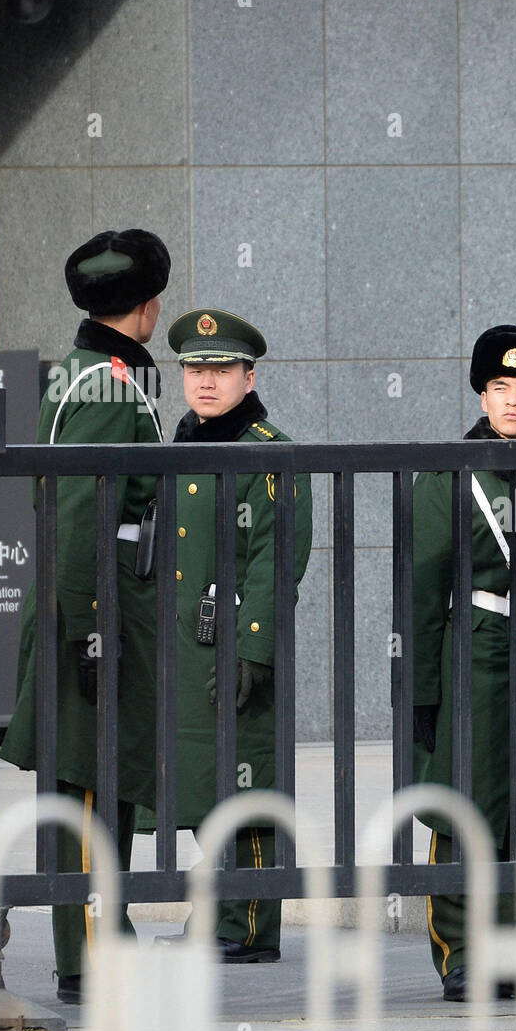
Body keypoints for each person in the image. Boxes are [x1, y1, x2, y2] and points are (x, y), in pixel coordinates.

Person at [0, 228, 170, 1005]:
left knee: (98, 786)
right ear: (146, 305)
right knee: (93, 787)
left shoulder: (97, 373)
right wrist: (96, 626)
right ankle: (95, 957)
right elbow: (85, 513)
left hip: (93, 602)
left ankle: (97, 949)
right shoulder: (106, 384)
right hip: (93, 604)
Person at [411, 324, 516, 1003]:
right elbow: (425, 592)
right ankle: (460, 955)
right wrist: (424, 687)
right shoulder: (450, 474)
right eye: (499, 387)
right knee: (466, 805)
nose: (511, 401)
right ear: (483, 392)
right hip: (476, 654)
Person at [157, 308, 312, 961]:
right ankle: (217, 911)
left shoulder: (268, 451)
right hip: (184, 647)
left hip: (237, 646)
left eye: (220, 369)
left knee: (246, 785)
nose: (206, 380)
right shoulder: (181, 441)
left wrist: (255, 647)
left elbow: (277, 557)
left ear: (249, 375)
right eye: (195, 368)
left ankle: (248, 928)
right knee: (199, 782)